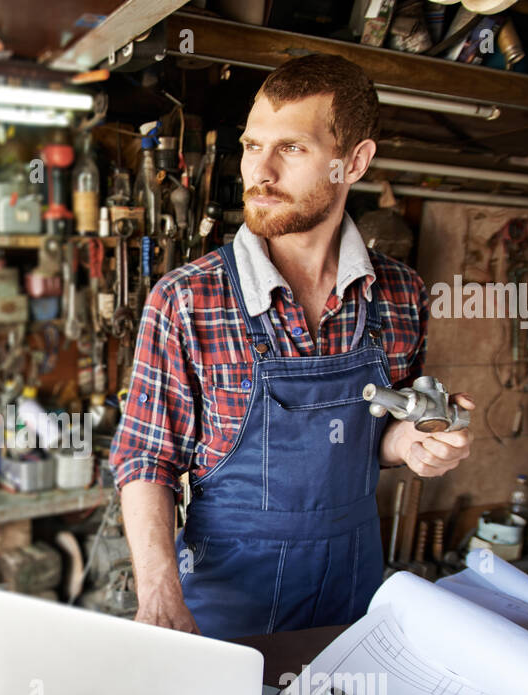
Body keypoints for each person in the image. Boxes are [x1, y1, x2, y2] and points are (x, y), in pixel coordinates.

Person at [109, 53, 474, 639]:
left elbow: (375, 438)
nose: (260, 171)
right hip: (224, 604)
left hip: (354, 592)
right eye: (253, 146)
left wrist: (415, 443)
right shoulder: (186, 298)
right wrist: (157, 593)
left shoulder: (401, 293)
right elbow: (146, 459)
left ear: (353, 161)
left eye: (293, 149)